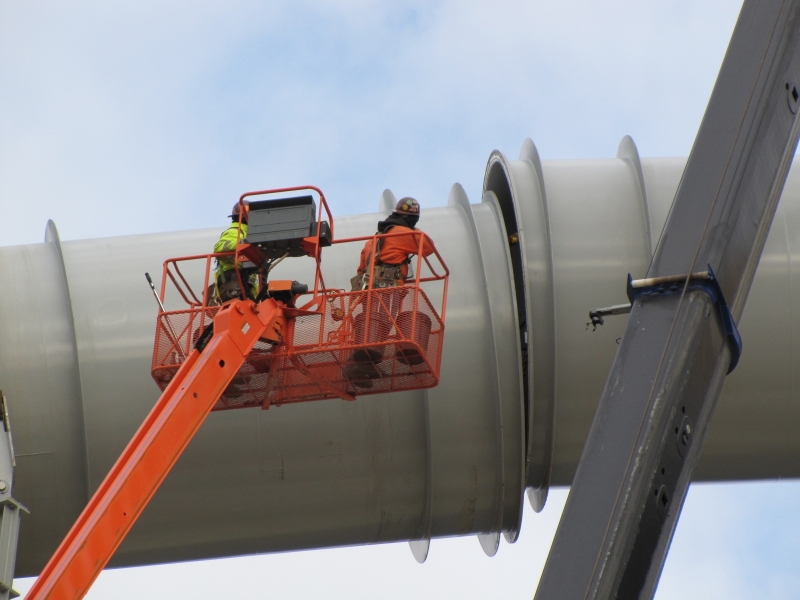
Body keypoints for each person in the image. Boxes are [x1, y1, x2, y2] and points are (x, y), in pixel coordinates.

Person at [345, 197, 436, 388]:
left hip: (369, 290)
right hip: (387, 288)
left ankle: (364, 366)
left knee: (373, 326)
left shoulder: (375, 239)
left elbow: (361, 267)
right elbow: (427, 248)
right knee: (379, 326)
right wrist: (415, 231)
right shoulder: (402, 233)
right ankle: (355, 365)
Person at [213, 200, 254, 304]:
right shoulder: (234, 231)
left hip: (244, 282)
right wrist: (242, 244)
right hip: (232, 279)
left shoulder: (247, 234)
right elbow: (219, 248)